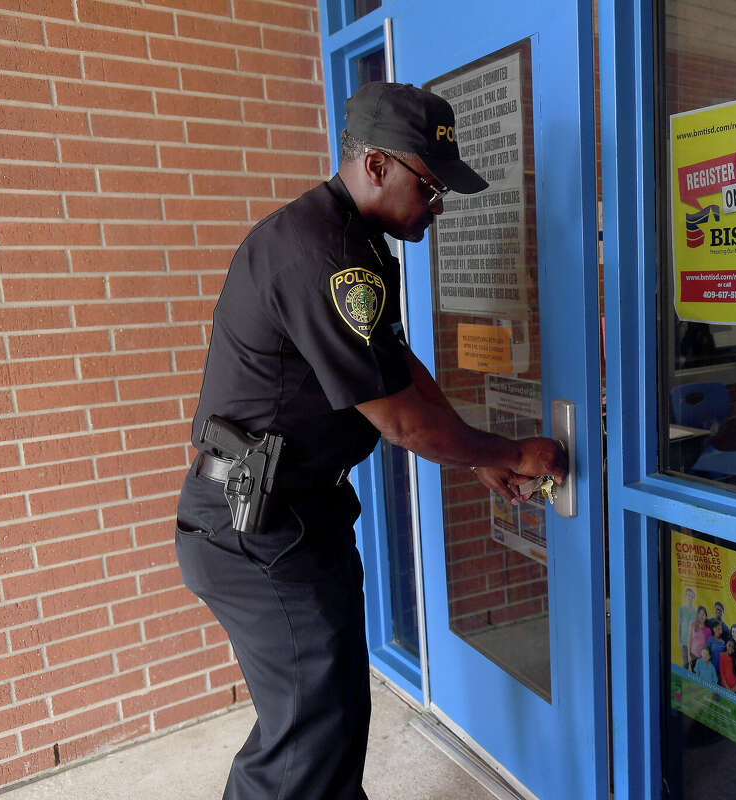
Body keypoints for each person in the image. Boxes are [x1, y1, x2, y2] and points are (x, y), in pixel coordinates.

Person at [173, 83, 568, 800]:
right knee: (306, 740)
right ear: (377, 165)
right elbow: (402, 421)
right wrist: (509, 454)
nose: (438, 205)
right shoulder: (322, 253)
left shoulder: (354, 243)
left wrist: (476, 459)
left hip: (295, 514)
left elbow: (398, 368)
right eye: (431, 186)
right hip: (259, 528)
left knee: (333, 717)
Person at [677, 587, 698, 669]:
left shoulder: (696, 612)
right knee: (685, 665)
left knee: (694, 667)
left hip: (694, 644)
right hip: (684, 643)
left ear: (694, 598)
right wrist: (680, 641)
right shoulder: (682, 609)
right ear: (686, 596)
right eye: (688, 595)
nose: (690, 598)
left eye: (692, 596)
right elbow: (679, 625)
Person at [687, 605, 710, 670]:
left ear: (706, 616)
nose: (701, 616)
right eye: (700, 614)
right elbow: (689, 640)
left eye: (703, 614)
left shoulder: (708, 630)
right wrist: (688, 655)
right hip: (693, 656)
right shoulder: (693, 624)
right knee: (694, 675)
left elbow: (708, 646)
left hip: (703, 658)